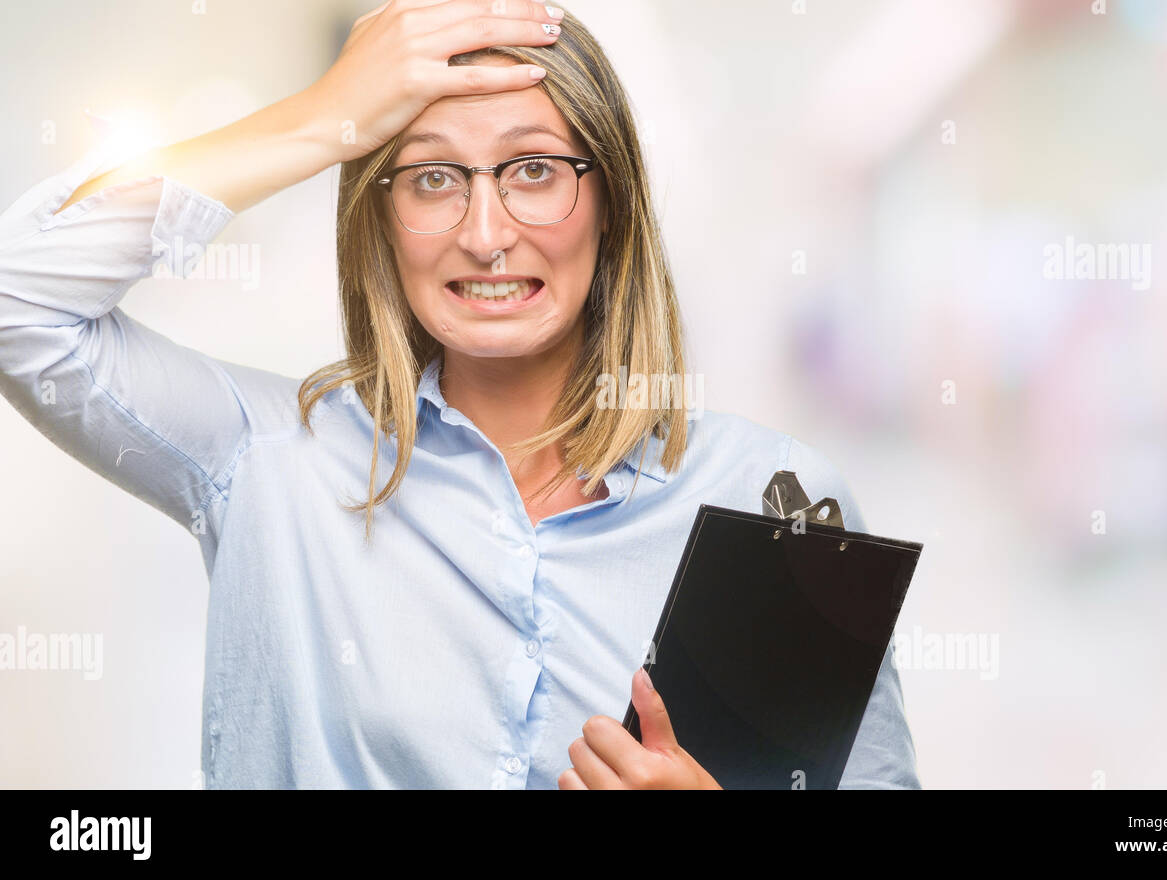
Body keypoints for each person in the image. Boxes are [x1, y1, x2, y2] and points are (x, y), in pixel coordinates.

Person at [0, 0, 919, 789]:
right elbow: (18, 298)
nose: (485, 235)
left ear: (613, 202)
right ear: (378, 214)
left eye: (533, 171)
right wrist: (326, 116)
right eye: (433, 177)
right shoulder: (270, 461)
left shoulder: (773, 495)